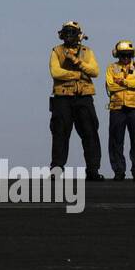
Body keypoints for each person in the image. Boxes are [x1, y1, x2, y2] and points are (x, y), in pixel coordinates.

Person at [49, 21, 104, 180]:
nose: (69, 36)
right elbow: (56, 72)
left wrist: (78, 62)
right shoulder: (56, 51)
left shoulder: (87, 52)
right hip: (62, 98)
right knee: (60, 133)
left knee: (90, 133)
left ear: (79, 34)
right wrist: (78, 75)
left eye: (72, 32)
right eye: (66, 32)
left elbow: (95, 71)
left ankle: (93, 170)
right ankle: (57, 169)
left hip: (84, 98)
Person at [105, 40, 135, 180]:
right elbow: (110, 86)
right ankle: (118, 171)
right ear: (117, 55)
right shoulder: (111, 68)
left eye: (129, 55)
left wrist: (123, 82)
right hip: (117, 108)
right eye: (123, 56)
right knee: (116, 141)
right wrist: (130, 85)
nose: (126, 58)